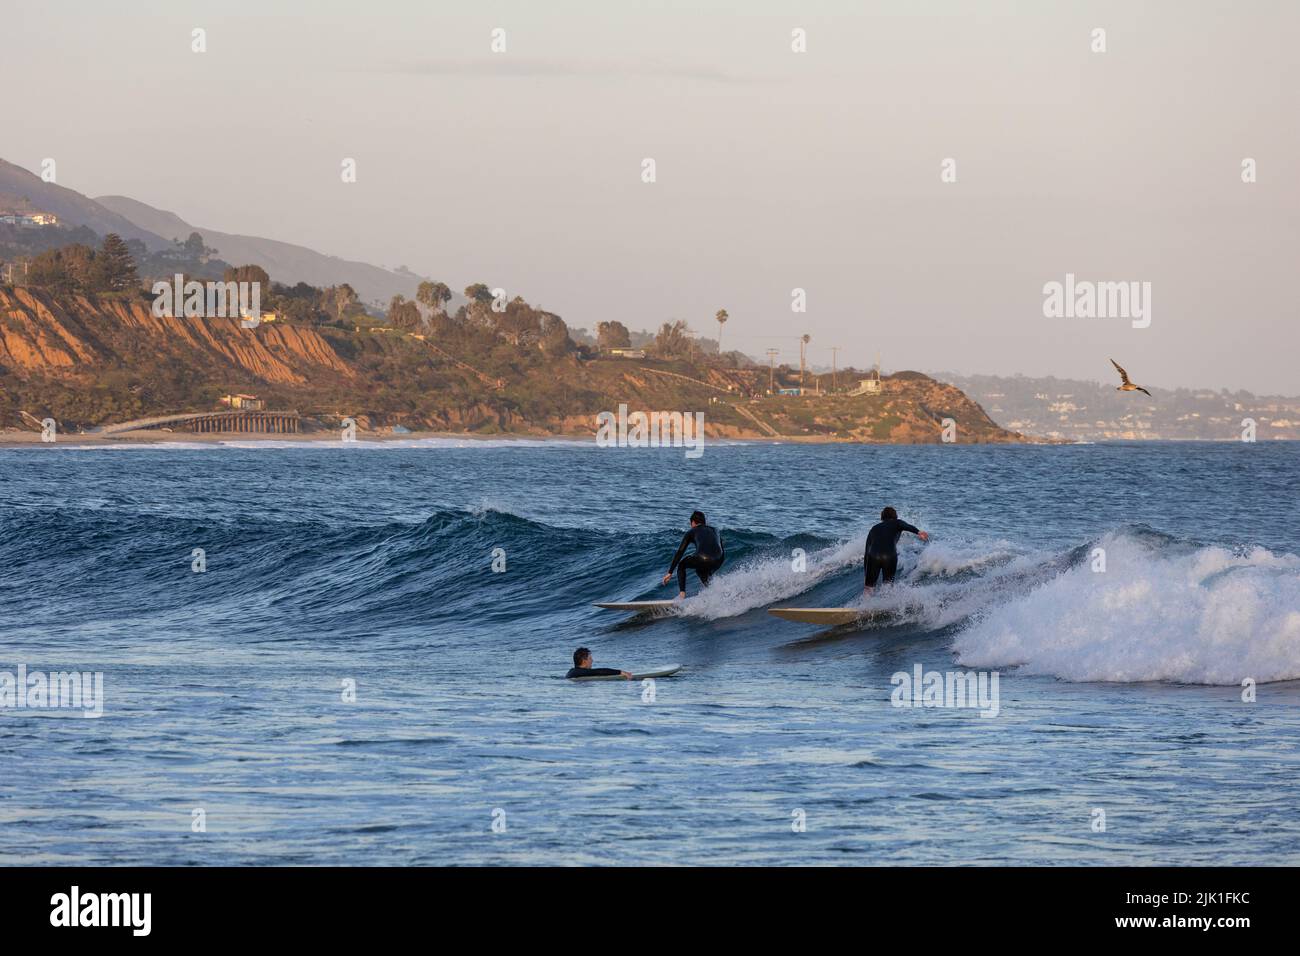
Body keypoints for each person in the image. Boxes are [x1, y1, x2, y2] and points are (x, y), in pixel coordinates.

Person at [662, 510, 725, 600]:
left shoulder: (691, 531)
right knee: (701, 571)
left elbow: (680, 552)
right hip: (719, 558)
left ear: (693, 522)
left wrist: (670, 572)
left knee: (682, 565)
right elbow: (721, 547)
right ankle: (715, 592)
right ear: (704, 522)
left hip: (703, 557)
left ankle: (682, 596)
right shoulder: (715, 530)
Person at [864, 506, 928, 591]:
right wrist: (918, 532)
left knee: (869, 588)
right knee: (888, 586)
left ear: (882, 516)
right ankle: (886, 602)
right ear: (895, 516)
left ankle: (866, 604)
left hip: (873, 556)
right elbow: (907, 526)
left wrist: (866, 573)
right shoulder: (897, 522)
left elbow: (867, 551)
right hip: (889, 556)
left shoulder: (874, 528)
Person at [566, 647, 632, 680]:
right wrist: (621, 672)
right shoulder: (580, 672)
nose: (592, 660)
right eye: (590, 658)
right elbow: (599, 671)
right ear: (584, 661)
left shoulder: (571, 671)